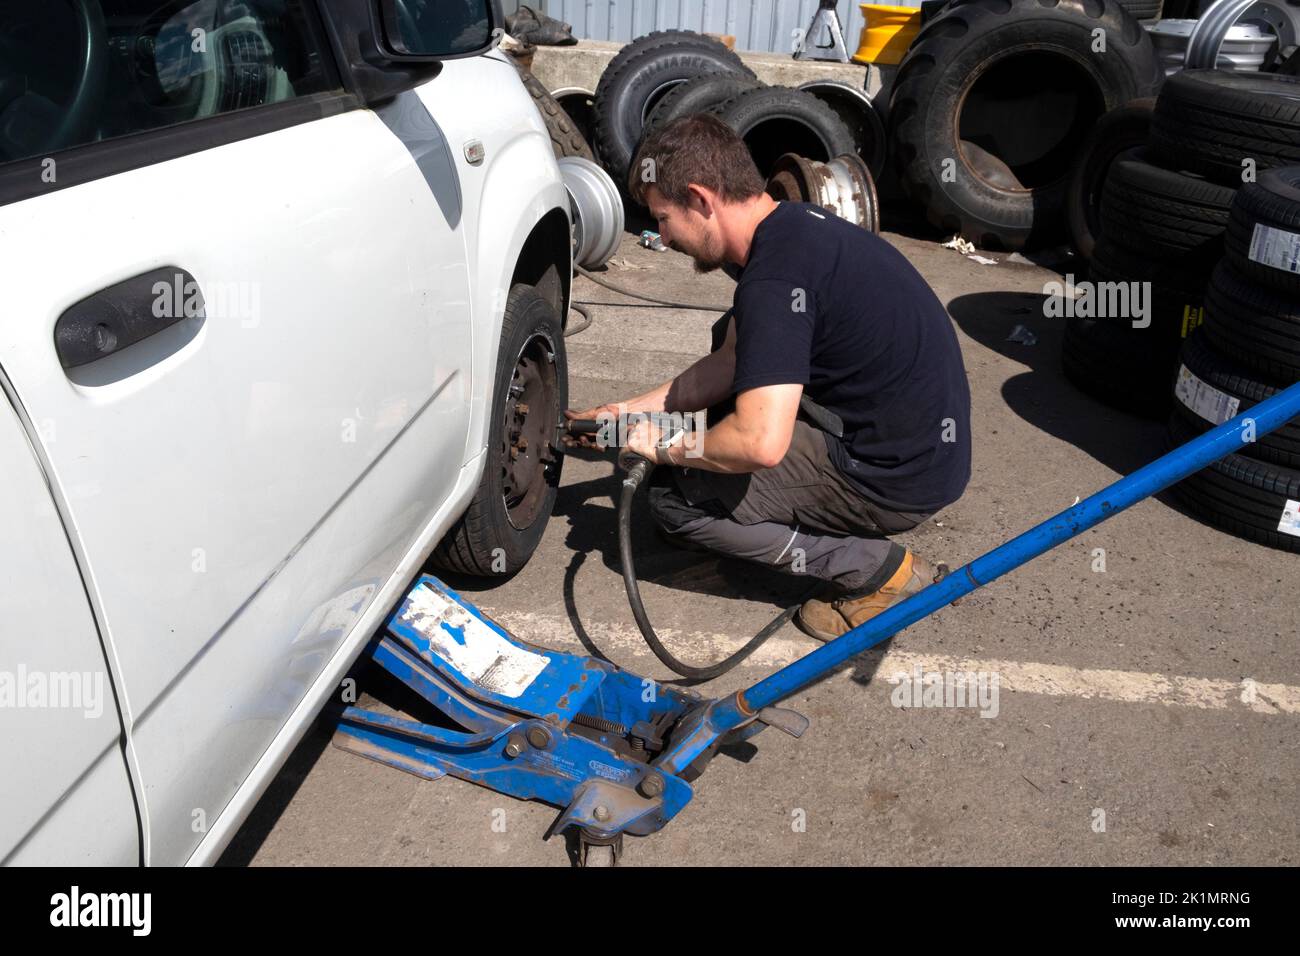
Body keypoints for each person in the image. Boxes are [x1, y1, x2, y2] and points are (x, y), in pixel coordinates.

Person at [567, 114, 971, 641]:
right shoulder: (792, 227)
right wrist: (627, 415)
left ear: (700, 199)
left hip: (895, 477)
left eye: (663, 218)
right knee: (729, 335)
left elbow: (760, 444)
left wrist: (663, 448)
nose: (661, 238)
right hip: (913, 444)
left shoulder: (773, 283)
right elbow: (729, 363)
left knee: (673, 503)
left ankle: (874, 571)